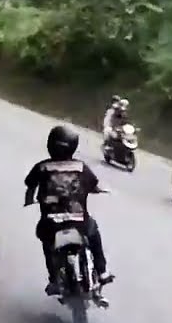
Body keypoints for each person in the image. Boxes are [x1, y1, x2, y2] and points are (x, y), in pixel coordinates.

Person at [24, 126, 114, 296]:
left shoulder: (42, 167)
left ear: (50, 144)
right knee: (94, 233)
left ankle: (54, 279)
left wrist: (29, 200)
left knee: (47, 242)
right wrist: (100, 190)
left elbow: (30, 187)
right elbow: (94, 186)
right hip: (79, 221)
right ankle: (102, 272)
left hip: (51, 223)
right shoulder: (80, 167)